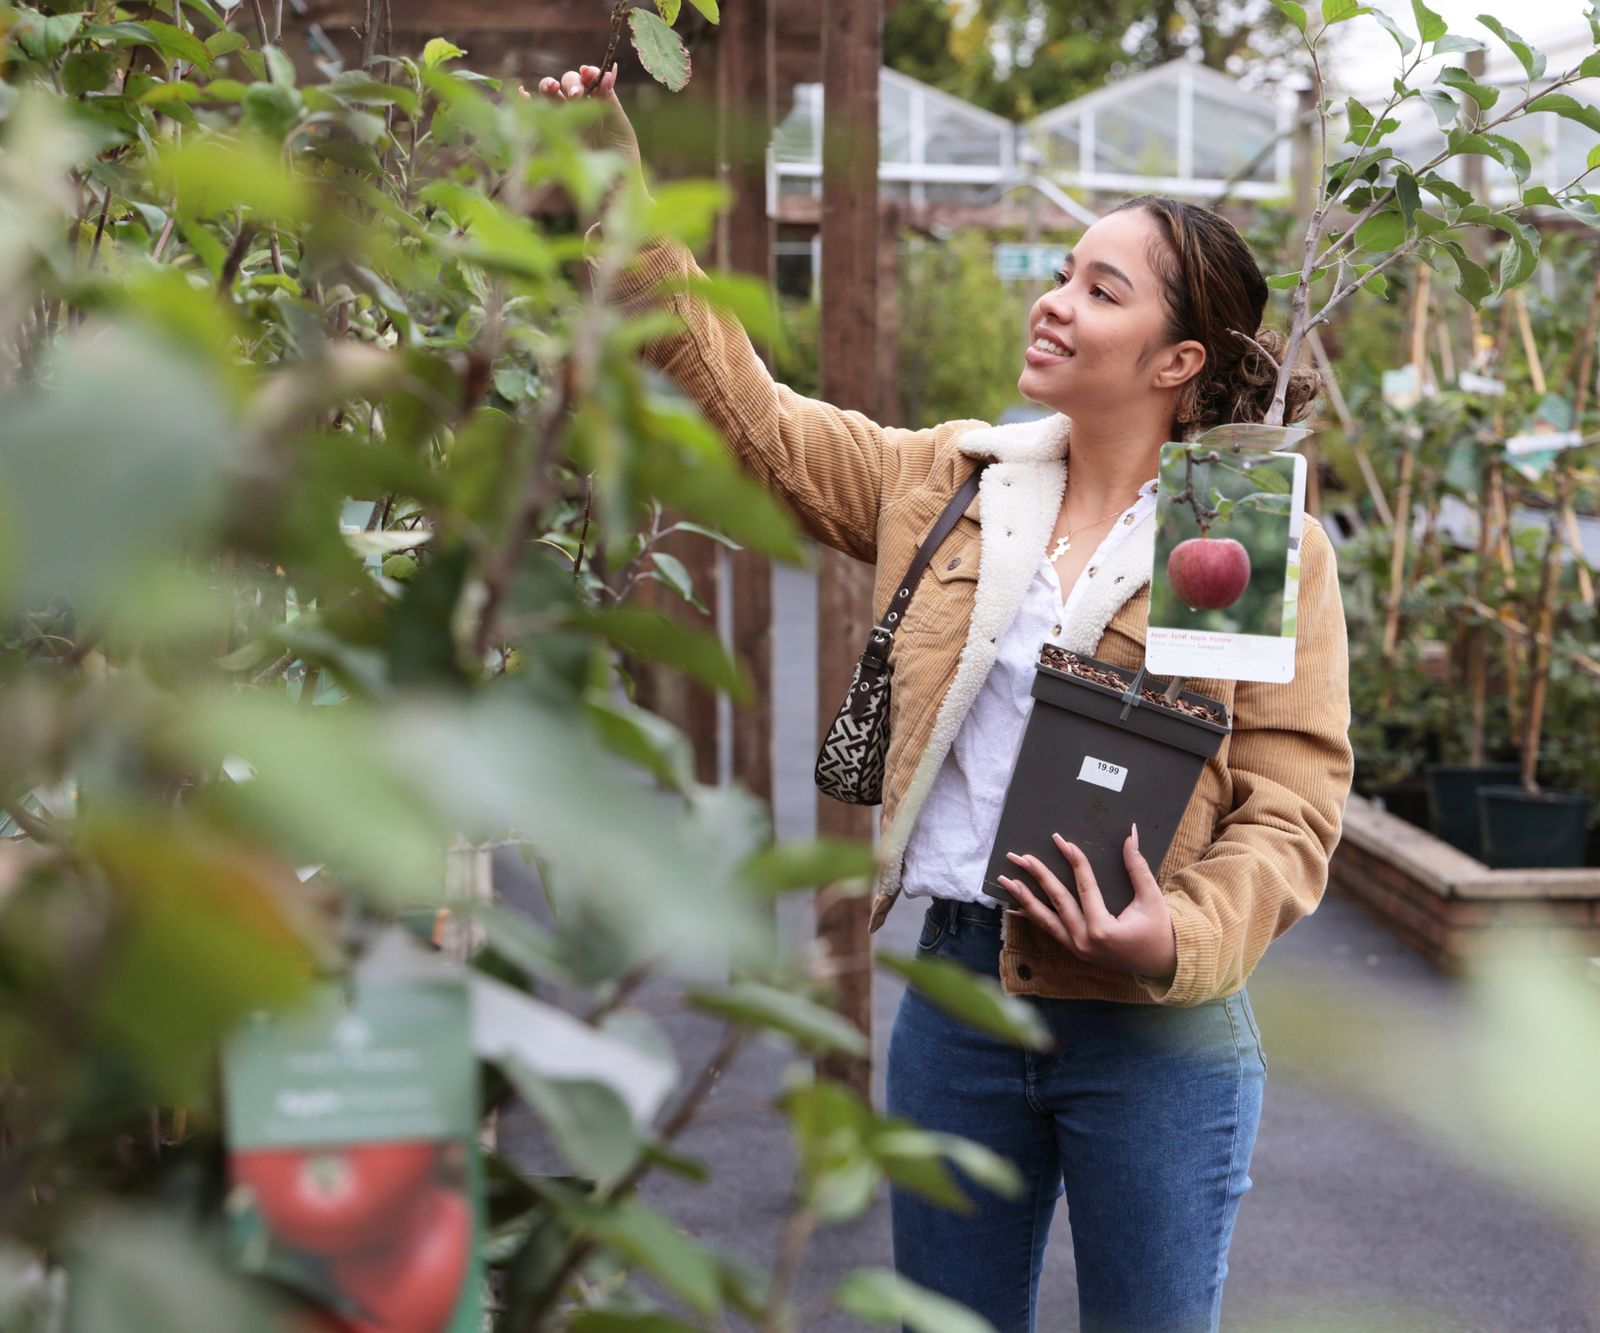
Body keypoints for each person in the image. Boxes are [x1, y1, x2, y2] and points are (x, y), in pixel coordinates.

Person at [534, 65, 1353, 1333]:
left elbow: (1289, 806)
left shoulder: (1231, 536)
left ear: (1177, 359)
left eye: (1100, 289)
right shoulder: (957, 483)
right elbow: (754, 421)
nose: (1053, 300)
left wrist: (1177, 938)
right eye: (1061, 272)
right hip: (959, 998)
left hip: (1152, 1033)